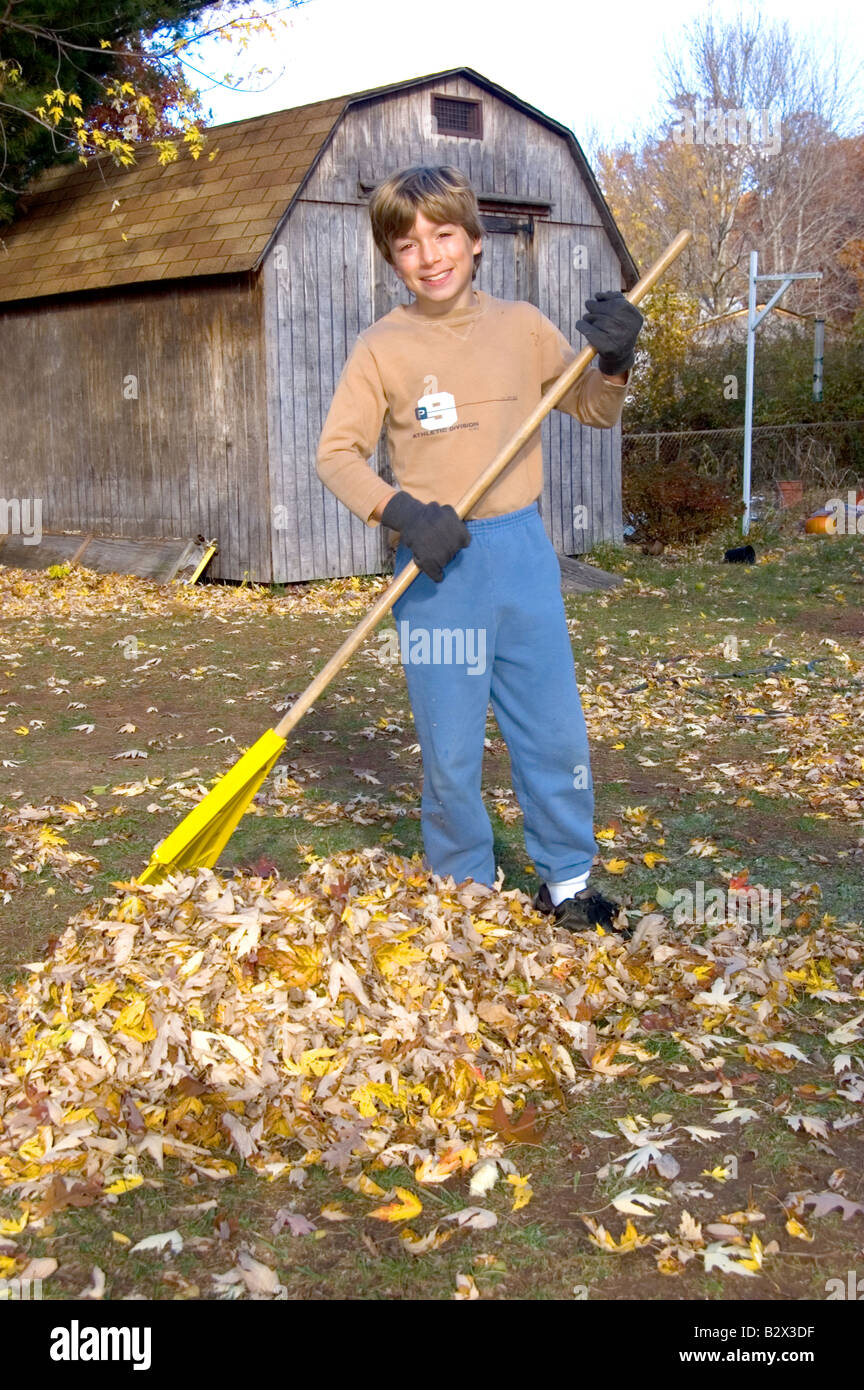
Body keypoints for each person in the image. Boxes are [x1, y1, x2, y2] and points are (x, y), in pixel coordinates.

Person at [317, 165, 643, 936]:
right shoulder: (381, 347)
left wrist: (616, 358)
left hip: (521, 555)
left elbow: (593, 409)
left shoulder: (523, 327)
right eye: (407, 245)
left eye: (443, 235)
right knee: (452, 743)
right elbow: (336, 454)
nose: (429, 256)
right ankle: (465, 883)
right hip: (437, 568)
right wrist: (400, 510)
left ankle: (567, 880)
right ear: (391, 259)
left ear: (474, 240)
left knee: (551, 728)